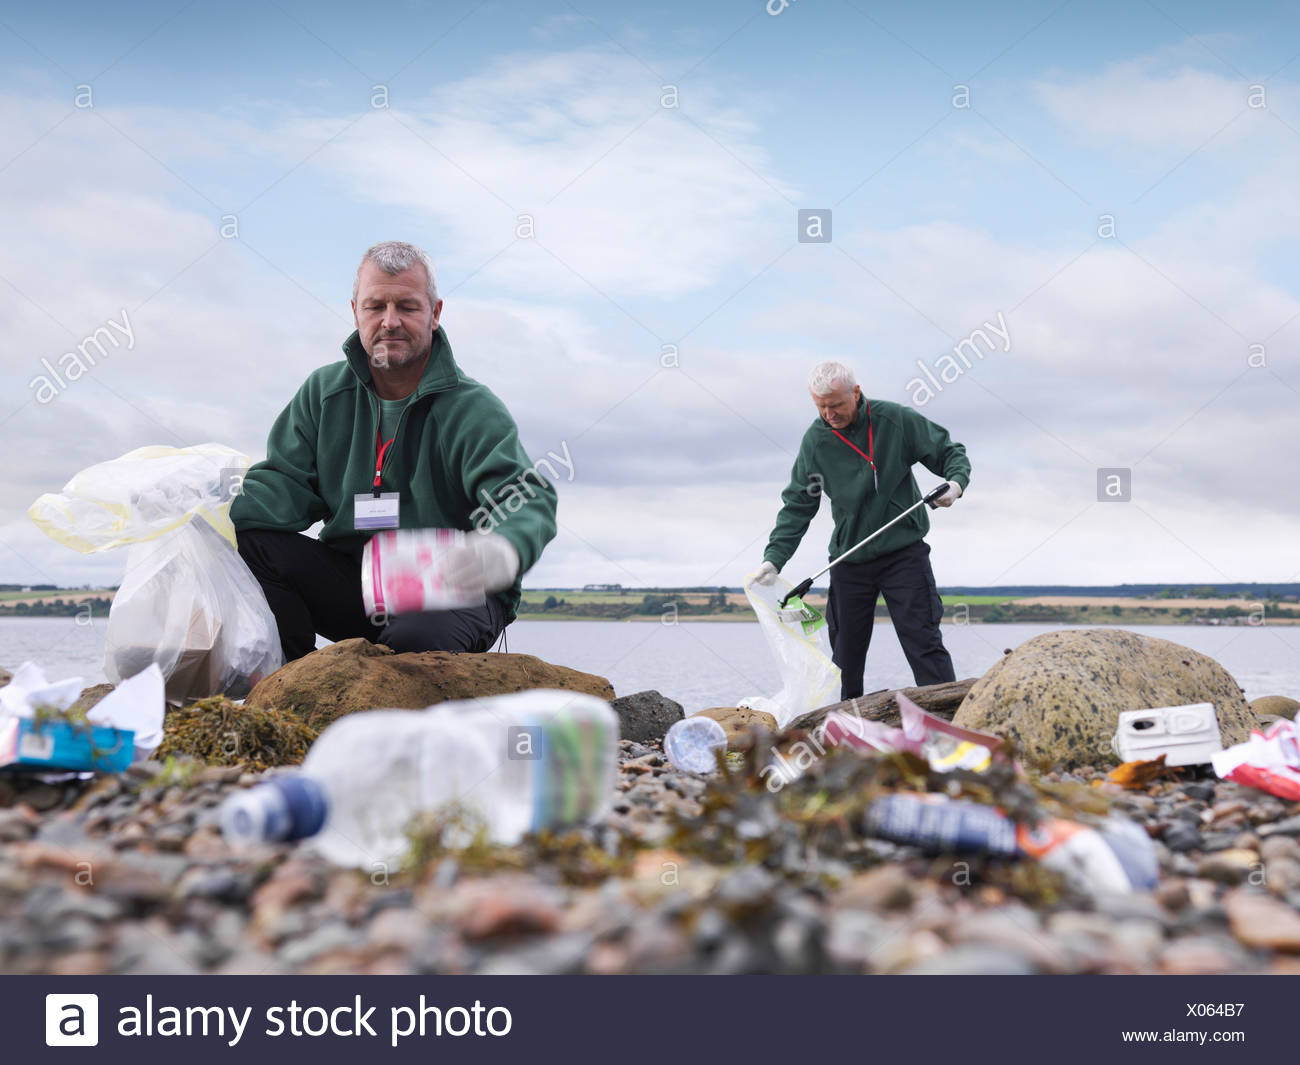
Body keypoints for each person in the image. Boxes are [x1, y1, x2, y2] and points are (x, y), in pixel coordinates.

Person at [231, 240, 557, 662]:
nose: (390, 321)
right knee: (251, 544)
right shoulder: (324, 393)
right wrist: (206, 507)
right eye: (375, 306)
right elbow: (283, 485)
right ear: (355, 311)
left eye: (407, 306)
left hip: (453, 589)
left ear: (435, 313)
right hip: (357, 585)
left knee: (417, 640)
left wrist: (503, 547)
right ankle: (292, 690)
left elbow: (526, 495)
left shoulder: (473, 408)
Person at [754, 361, 970, 701]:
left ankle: (950, 722)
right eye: (821, 406)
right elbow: (798, 505)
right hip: (849, 560)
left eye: (837, 404)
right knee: (846, 658)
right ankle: (844, 733)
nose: (830, 414)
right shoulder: (816, 443)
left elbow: (949, 453)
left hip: (904, 555)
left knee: (923, 641)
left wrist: (956, 484)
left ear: (856, 393)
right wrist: (774, 559)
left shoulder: (895, 421)